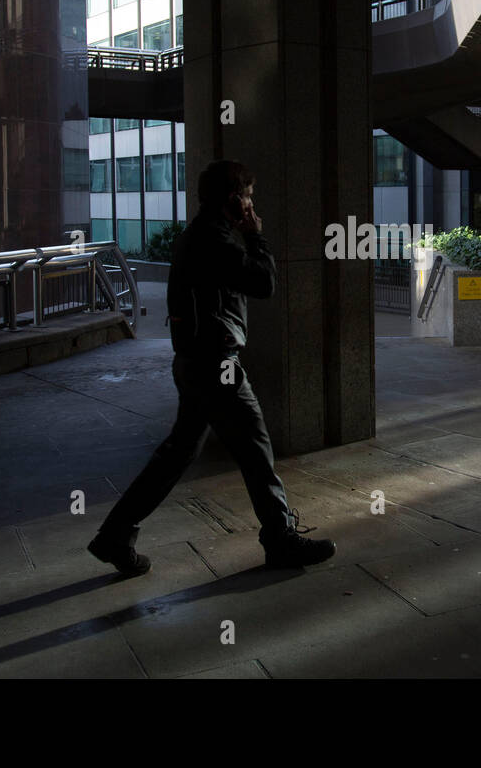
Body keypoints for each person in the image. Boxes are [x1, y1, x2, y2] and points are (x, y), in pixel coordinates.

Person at [88, 159, 336, 575]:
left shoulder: (201, 234)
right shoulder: (214, 240)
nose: (253, 207)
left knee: (177, 454)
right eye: (249, 197)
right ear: (233, 199)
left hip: (194, 362)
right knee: (255, 448)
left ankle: (115, 535)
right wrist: (257, 238)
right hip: (215, 364)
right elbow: (263, 284)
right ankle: (280, 539)